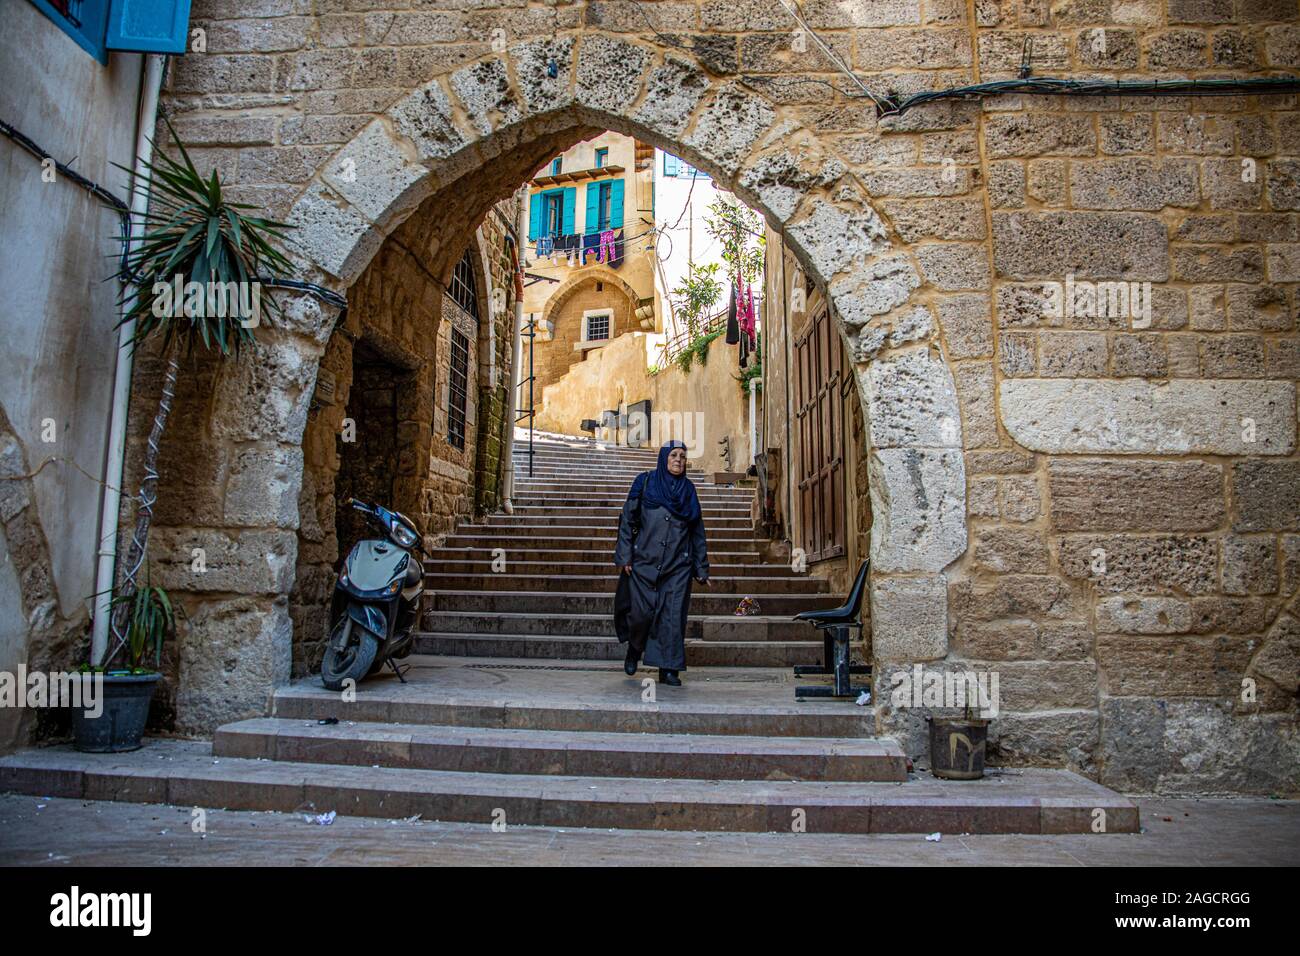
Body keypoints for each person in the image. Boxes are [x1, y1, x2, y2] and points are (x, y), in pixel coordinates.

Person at [613, 439, 710, 686]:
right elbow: (628, 521)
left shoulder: (688, 491)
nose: (679, 460)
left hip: (678, 566)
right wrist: (625, 555)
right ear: (664, 458)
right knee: (640, 614)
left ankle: (669, 669)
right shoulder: (644, 483)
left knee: (672, 617)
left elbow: (697, 531)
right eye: (674, 455)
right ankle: (634, 650)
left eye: (683, 457)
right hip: (643, 562)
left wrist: (701, 566)